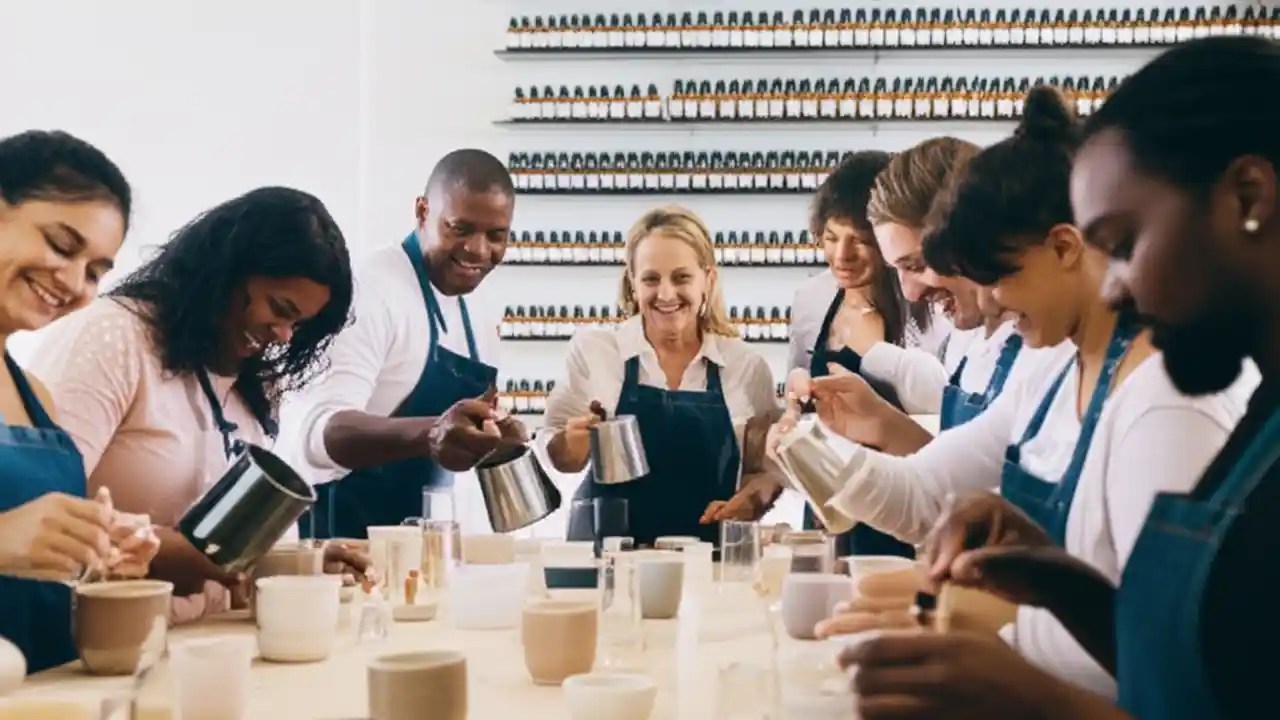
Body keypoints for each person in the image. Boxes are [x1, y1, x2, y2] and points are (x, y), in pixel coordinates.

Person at [841, 37, 1280, 720]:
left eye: (1126, 244)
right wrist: (1060, 584)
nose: (1118, 286)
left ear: (1248, 197)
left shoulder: (1175, 408)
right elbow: (1199, 670)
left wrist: (1040, 703)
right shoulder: (1259, 425)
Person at [33, 186, 357, 622]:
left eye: (297, 325)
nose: (283, 335)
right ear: (226, 271)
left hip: (202, 643)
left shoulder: (254, 384)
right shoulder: (114, 338)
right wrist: (170, 553)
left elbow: (232, 550)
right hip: (97, 642)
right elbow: (39, 514)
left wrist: (299, 561)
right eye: (279, 308)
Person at [278, 149, 524, 539]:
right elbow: (319, 433)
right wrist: (433, 433)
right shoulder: (370, 289)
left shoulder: (480, 307)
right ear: (423, 211)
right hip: (338, 538)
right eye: (460, 229)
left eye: (496, 236)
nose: (478, 250)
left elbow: (474, 415)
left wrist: (494, 437)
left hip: (417, 540)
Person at [0, 129, 159, 673]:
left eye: (95, 272)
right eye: (61, 245)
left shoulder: (35, 396)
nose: (72, 282)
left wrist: (94, 568)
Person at [542, 206, 782, 546]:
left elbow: (766, 473)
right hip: (605, 560)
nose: (666, 294)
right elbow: (560, 458)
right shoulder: (596, 351)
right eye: (651, 279)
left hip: (706, 561)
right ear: (632, 283)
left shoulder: (745, 366)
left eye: (682, 277)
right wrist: (574, 443)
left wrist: (751, 503)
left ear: (708, 280)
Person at [784, 150, 941, 559]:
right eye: (831, 238)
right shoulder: (810, 300)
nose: (842, 256)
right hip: (828, 502)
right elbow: (797, 393)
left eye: (860, 241)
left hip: (905, 506)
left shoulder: (931, 309)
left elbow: (945, 423)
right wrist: (793, 405)